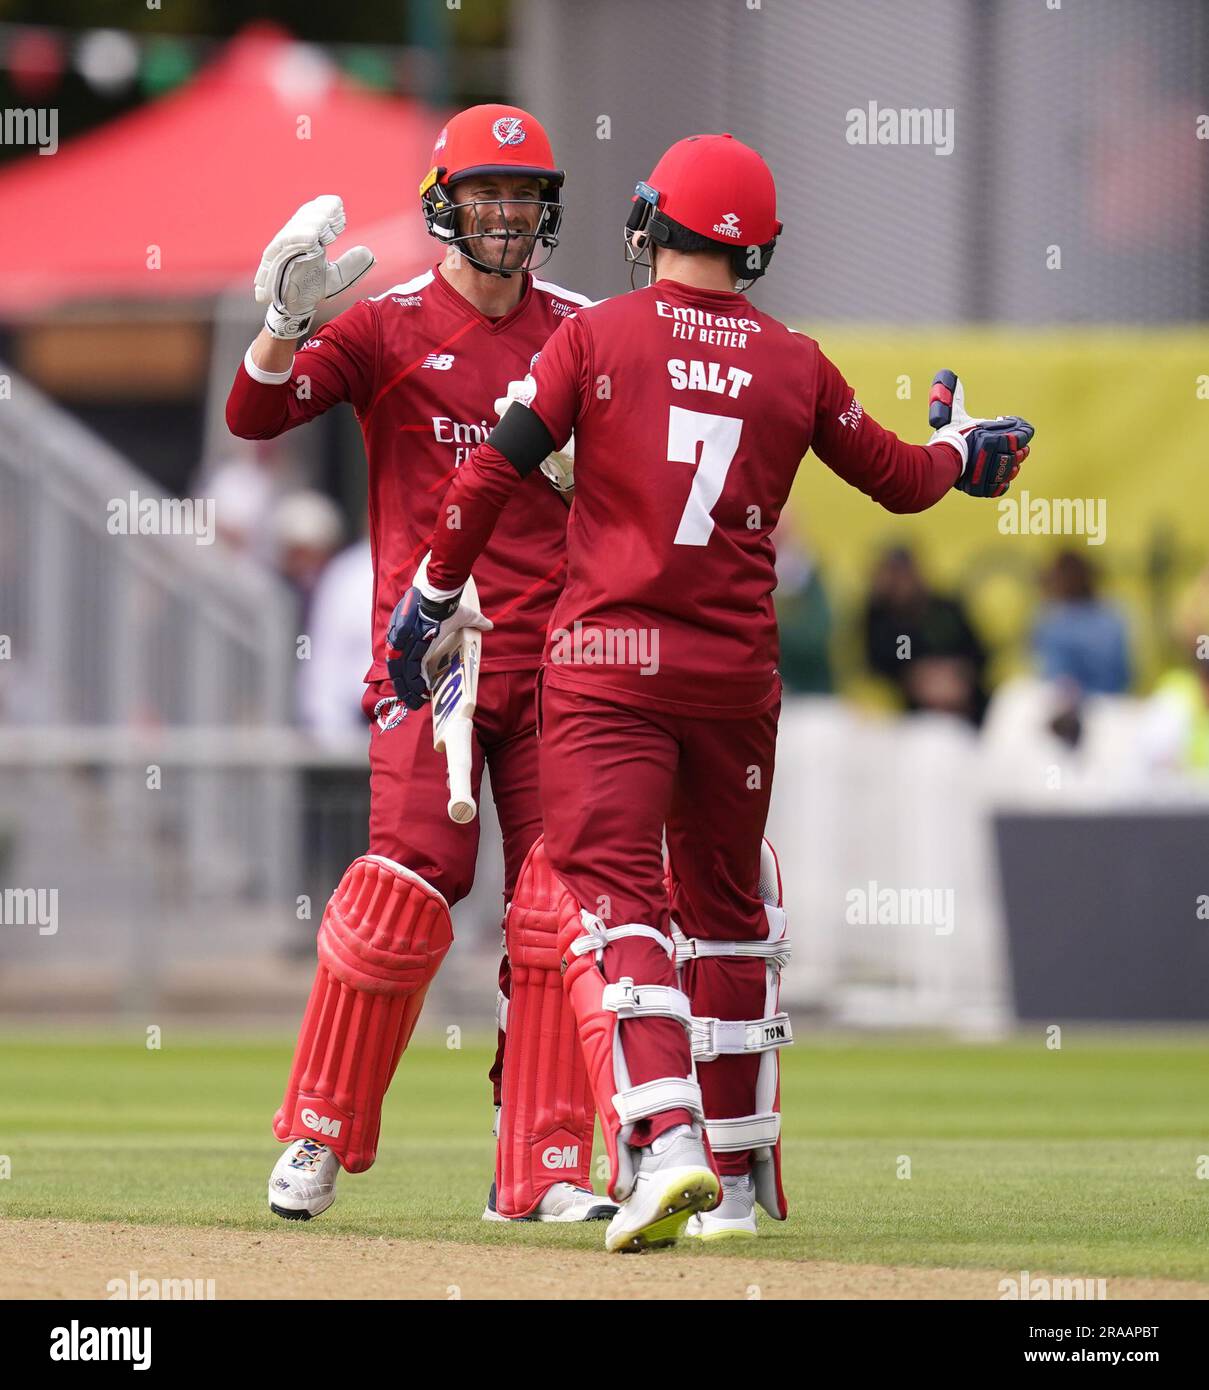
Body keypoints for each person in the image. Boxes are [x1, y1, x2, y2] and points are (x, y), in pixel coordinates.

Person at [389, 132, 1034, 1251]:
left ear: (655, 225)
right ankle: (732, 1178)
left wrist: (435, 591)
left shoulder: (593, 334)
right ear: (758, 248)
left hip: (608, 666)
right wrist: (966, 452)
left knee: (616, 898)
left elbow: (492, 468)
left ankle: (668, 1144)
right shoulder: (794, 361)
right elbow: (904, 479)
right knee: (728, 908)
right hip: (737, 674)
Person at [225, 104, 614, 1225]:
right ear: (447, 198)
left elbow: (645, 487)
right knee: (407, 881)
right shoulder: (389, 326)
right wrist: (280, 324)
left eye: (526, 196)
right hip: (428, 653)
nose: (507, 213)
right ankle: (315, 1134)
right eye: (490, 192)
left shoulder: (586, 327)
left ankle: (540, 1166)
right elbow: (255, 414)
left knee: (559, 904)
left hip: (558, 663)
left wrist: (594, 473)